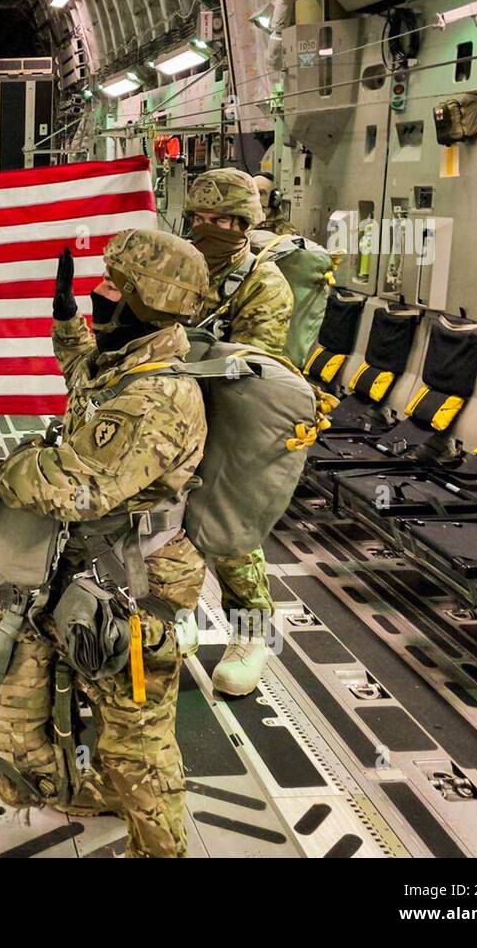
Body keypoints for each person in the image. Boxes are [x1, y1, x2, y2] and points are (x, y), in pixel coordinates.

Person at [0, 229, 210, 858]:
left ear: (146, 302)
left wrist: (0, 478)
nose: (97, 294)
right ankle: (108, 787)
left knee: (138, 734)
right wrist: (66, 322)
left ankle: (160, 849)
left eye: (112, 286)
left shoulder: (155, 398)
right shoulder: (126, 364)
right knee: (97, 692)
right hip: (101, 568)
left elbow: (76, 486)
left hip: (138, 584)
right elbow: (84, 375)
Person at [183, 168, 294, 697]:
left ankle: (251, 635)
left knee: (229, 531)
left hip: (233, 418)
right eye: (201, 218)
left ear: (244, 223)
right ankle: (176, 610)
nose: (210, 229)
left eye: (222, 221)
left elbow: (252, 364)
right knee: (163, 524)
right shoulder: (177, 266)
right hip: (174, 416)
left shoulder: (263, 285)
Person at [252, 172, 295, 236]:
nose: (254, 197)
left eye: (261, 193)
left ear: (274, 199)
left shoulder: (286, 232)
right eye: (251, 192)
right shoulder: (240, 226)